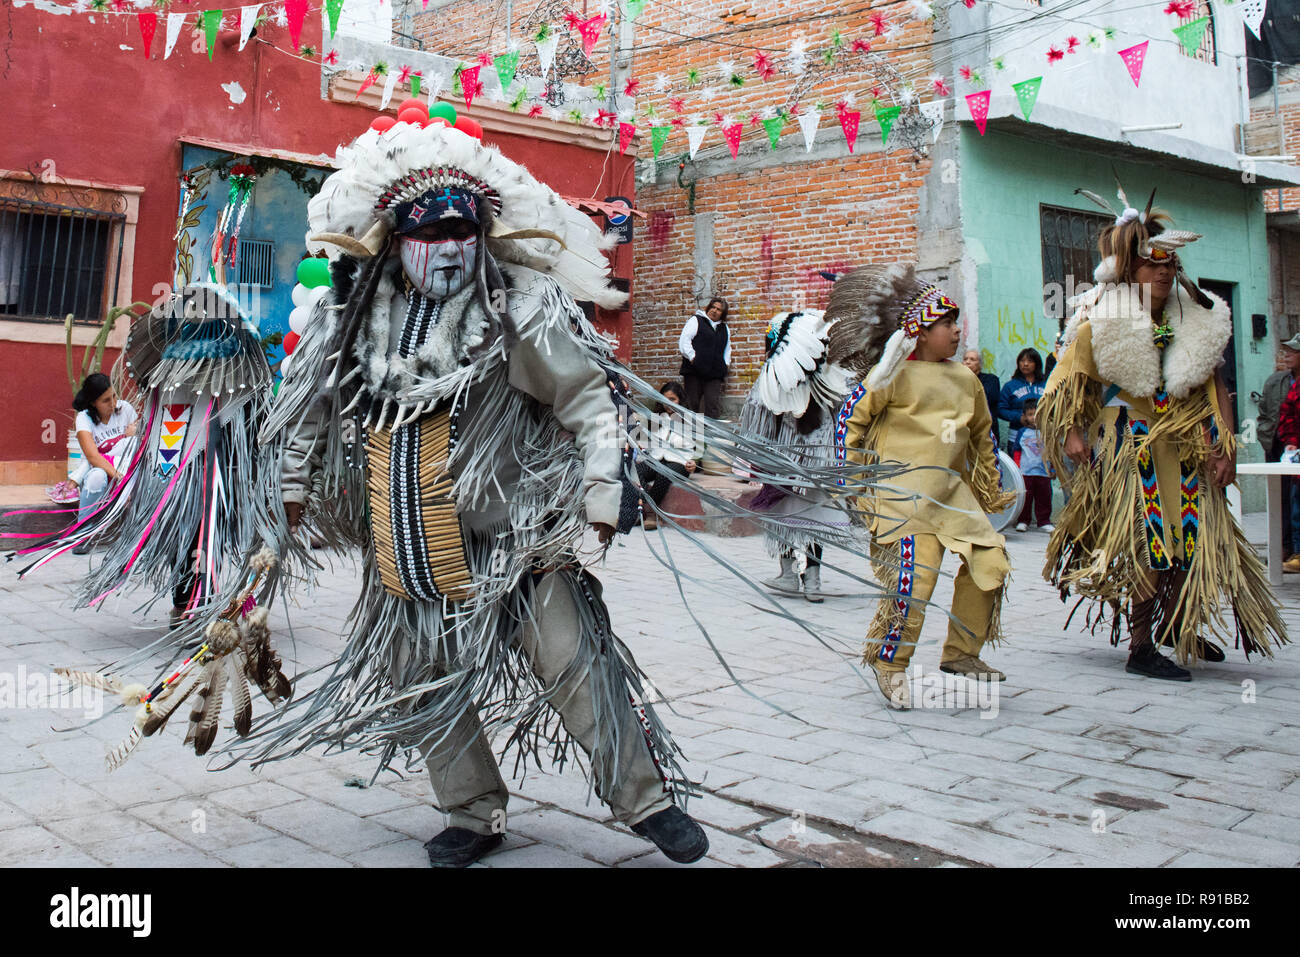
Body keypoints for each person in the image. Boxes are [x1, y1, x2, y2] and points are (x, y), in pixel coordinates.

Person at [221, 120, 707, 868]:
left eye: (464, 231)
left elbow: (586, 402)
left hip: (514, 545)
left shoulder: (516, 311)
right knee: (422, 682)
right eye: (430, 231)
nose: (450, 246)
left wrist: (604, 497)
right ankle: (472, 812)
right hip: (406, 544)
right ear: (393, 239)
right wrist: (289, 493)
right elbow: (309, 413)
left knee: (572, 660)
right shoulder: (348, 322)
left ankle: (646, 801)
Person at [1040, 182, 1287, 680]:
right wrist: (1071, 433)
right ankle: (1140, 646)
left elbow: (1215, 384)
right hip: (1133, 447)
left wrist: (1224, 447)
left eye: (1169, 266)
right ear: (1129, 271)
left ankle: (1178, 624)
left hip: (1188, 445)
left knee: (1189, 544)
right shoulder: (1101, 322)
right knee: (1148, 542)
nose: (1163, 273)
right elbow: (1068, 383)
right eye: (1152, 265)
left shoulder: (1195, 320)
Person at [838, 266, 1015, 709]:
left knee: (991, 561)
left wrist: (991, 490)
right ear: (919, 332)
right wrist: (851, 481)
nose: (957, 332)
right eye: (947, 325)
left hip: (951, 496)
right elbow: (850, 423)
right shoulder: (890, 374)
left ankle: (960, 653)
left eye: (956, 324)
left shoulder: (966, 379)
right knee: (917, 579)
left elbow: (982, 439)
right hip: (903, 495)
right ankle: (891, 663)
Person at [739, 309, 856, 604]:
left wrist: (756, 461)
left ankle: (789, 574)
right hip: (820, 466)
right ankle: (813, 579)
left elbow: (756, 422)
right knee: (813, 521)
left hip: (784, 468)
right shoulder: (828, 382)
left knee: (784, 519)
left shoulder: (773, 379)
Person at [67, 373, 138, 553]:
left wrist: (136, 433)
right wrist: (120, 479)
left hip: (127, 468)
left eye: (114, 396)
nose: (113, 403)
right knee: (96, 477)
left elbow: (140, 439)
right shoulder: (84, 418)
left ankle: (136, 535)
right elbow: (93, 457)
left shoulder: (126, 409)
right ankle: (82, 535)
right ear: (93, 403)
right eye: (106, 400)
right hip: (103, 473)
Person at [1257, 334, 1300, 568]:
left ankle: (1296, 549)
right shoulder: (1277, 381)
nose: (1287, 356)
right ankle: (1284, 548)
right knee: (1282, 498)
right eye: (1286, 352)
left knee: (1296, 499)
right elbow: (1265, 410)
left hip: (1294, 447)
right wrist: (1266, 434)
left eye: (1293, 352)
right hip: (1278, 447)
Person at [636, 380, 697, 529]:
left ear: (680, 400)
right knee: (636, 472)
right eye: (664, 399)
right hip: (657, 459)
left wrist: (694, 462)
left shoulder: (691, 420)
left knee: (663, 474)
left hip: (680, 463)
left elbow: (699, 448)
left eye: (673, 399)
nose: (668, 403)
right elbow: (650, 443)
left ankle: (651, 513)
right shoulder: (656, 418)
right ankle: (642, 507)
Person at [678, 297, 731, 418]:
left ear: (722, 313)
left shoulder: (724, 328)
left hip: (714, 373)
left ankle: (710, 435)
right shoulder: (696, 320)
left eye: (719, 309)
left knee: (712, 405)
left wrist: (725, 364)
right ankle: (691, 434)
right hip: (694, 370)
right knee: (692, 404)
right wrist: (692, 357)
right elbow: (684, 340)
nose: (714, 311)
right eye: (713, 307)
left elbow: (727, 349)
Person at [1012, 397, 1054, 533]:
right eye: (1030, 414)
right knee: (1025, 498)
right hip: (1025, 473)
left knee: (1044, 497)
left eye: (1037, 414)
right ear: (1024, 416)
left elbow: (1053, 452)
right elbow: (1017, 450)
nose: (1034, 417)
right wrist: (1017, 468)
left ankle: (1044, 521)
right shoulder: (1022, 433)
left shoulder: (1048, 433)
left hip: (1043, 472)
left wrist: (1053, 469)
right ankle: (1023, 521)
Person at [998, 347, 1045, 459]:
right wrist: (1018, 418)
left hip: (1042, 438)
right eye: (1022, 361)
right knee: (1018, 471)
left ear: (1037, 364)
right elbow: (1000, 409)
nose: (1025, 364)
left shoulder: (1046, 384)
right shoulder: (1010, 386)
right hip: (1016, 438)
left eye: (1029, 361)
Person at [962, 347, 1002, 448]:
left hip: (986, 431)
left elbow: (988, 397)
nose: (967, 362)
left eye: (972, 359)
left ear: (980, 364)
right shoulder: (958, 381)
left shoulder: (991, 380)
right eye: (965, 359)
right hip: (964, 430)